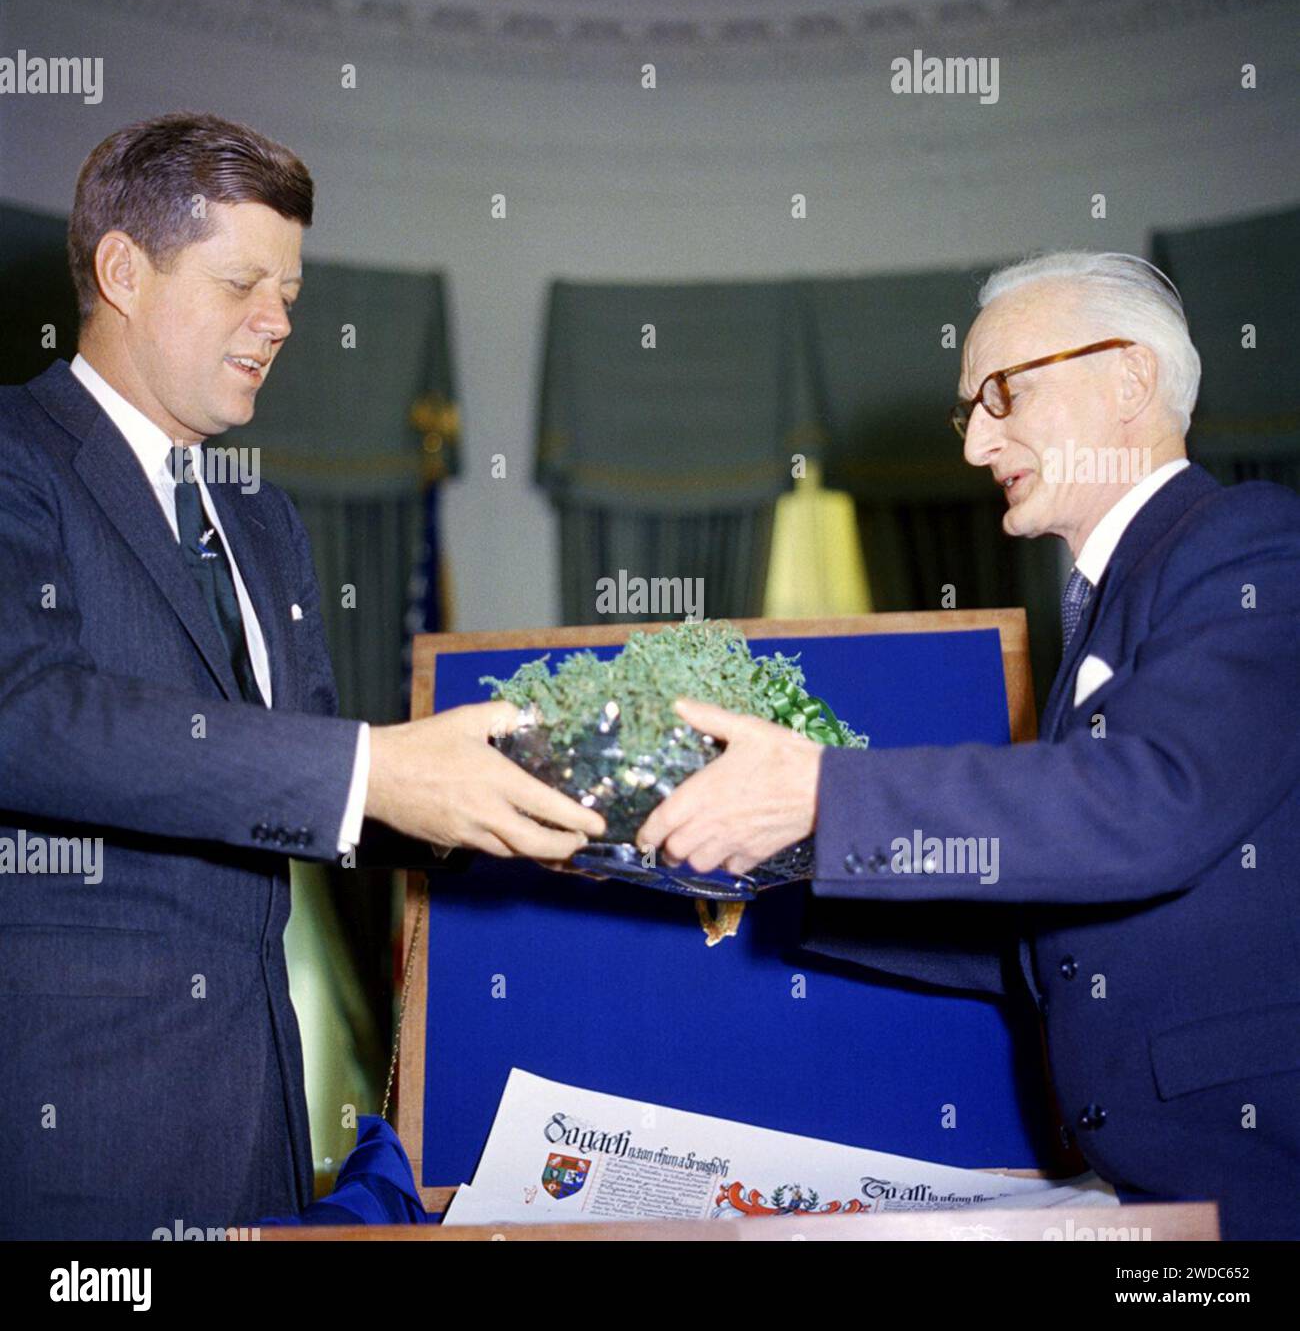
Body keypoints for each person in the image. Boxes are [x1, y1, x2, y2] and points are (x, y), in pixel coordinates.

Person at [0, 112, 604, 1240]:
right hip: (68, 1122)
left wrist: (513, 799)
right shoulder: (12, 455)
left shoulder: (262, 520)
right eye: (241, 285)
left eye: (287, 291)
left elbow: (311, 792)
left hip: (259, 1115)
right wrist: (375, 769)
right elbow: (24, 717)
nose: (278, 322)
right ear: (123, 271)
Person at [639, 251, 1300, 1240]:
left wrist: (821, 795)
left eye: (1004, 394)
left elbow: (1156, 799)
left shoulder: (1245, 539)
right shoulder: (1107, 599)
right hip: (1161, 1196)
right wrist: (780, 877)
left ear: (1130, 379)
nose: (975, 444)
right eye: (969, 410)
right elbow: (1048, 939)